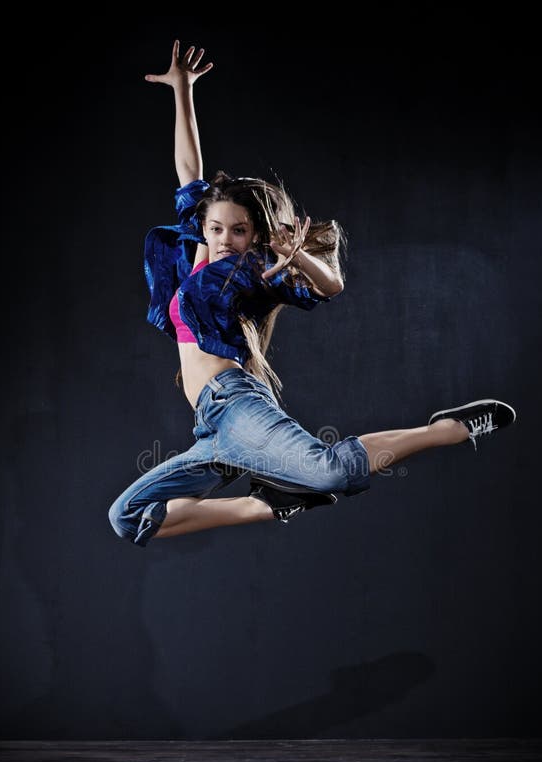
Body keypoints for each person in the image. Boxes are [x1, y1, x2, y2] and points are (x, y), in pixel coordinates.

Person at [108, 40, 516, 545]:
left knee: (329, 474)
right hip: (210, 428)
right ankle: (266, 505)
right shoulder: (197, 248)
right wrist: (183, 91)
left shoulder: (253, 270)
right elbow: (188, 171)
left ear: (255, 234)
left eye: (238, 231)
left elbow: (332, 285)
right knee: (128, 517)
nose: (223, 240)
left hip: (235, 404)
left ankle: (446, 429)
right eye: (216, 229)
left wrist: (296, 255)